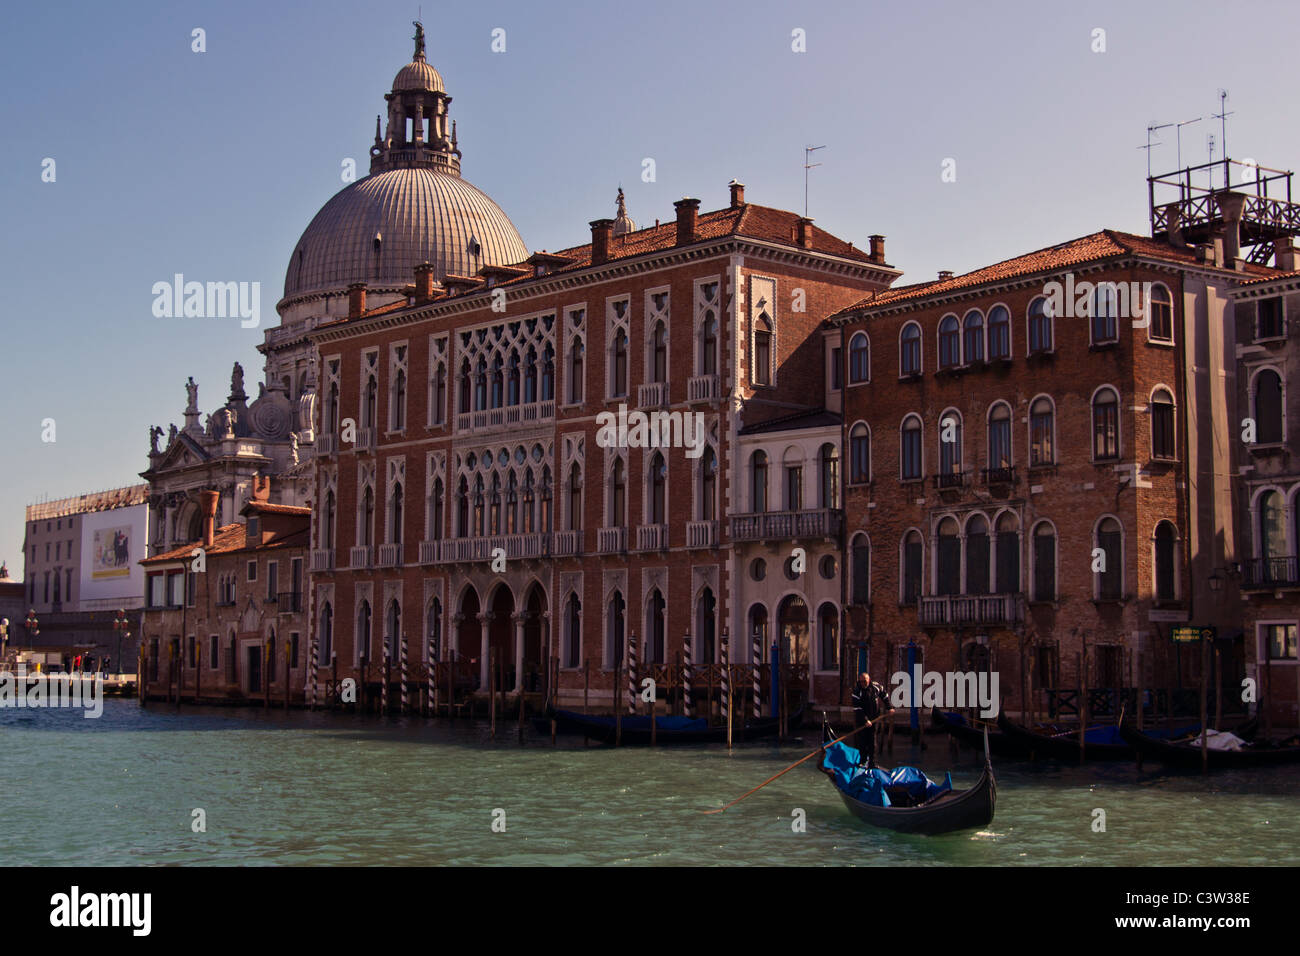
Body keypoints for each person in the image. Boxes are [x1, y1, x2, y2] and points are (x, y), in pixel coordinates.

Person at [851, 671, 887, 768]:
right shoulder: (856, 691)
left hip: (874, 719)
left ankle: (872, 763)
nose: (863, 683)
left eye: (865, 681)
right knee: (862, 741)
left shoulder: (876, 687)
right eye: (861, 681)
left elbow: (884, 695)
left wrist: (890, 707)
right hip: (861, 721)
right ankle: (862, 761)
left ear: (869, 680)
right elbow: (857, 709)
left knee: (872, 742)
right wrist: (865, 720)